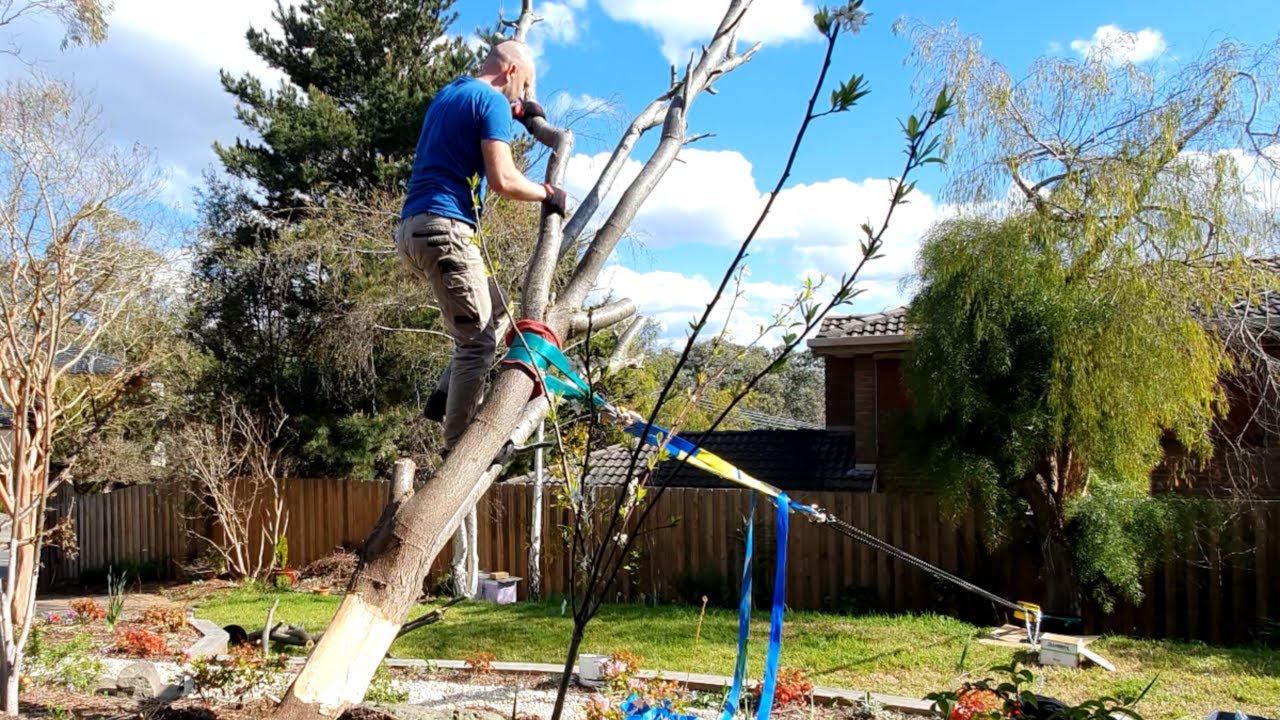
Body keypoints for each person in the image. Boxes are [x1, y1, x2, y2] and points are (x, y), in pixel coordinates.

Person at [396, 40, 567, 453]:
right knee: (478, 343)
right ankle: (458, 447)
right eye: (523, 86)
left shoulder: (450, 94)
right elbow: (503, 181)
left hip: (413, 229)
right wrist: (548, 193)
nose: (521, 97)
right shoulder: (490, 101)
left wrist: (523, 108)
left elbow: (473, 126)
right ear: (509, 72)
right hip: (446, 229)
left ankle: (444, 394)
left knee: (498, 310)